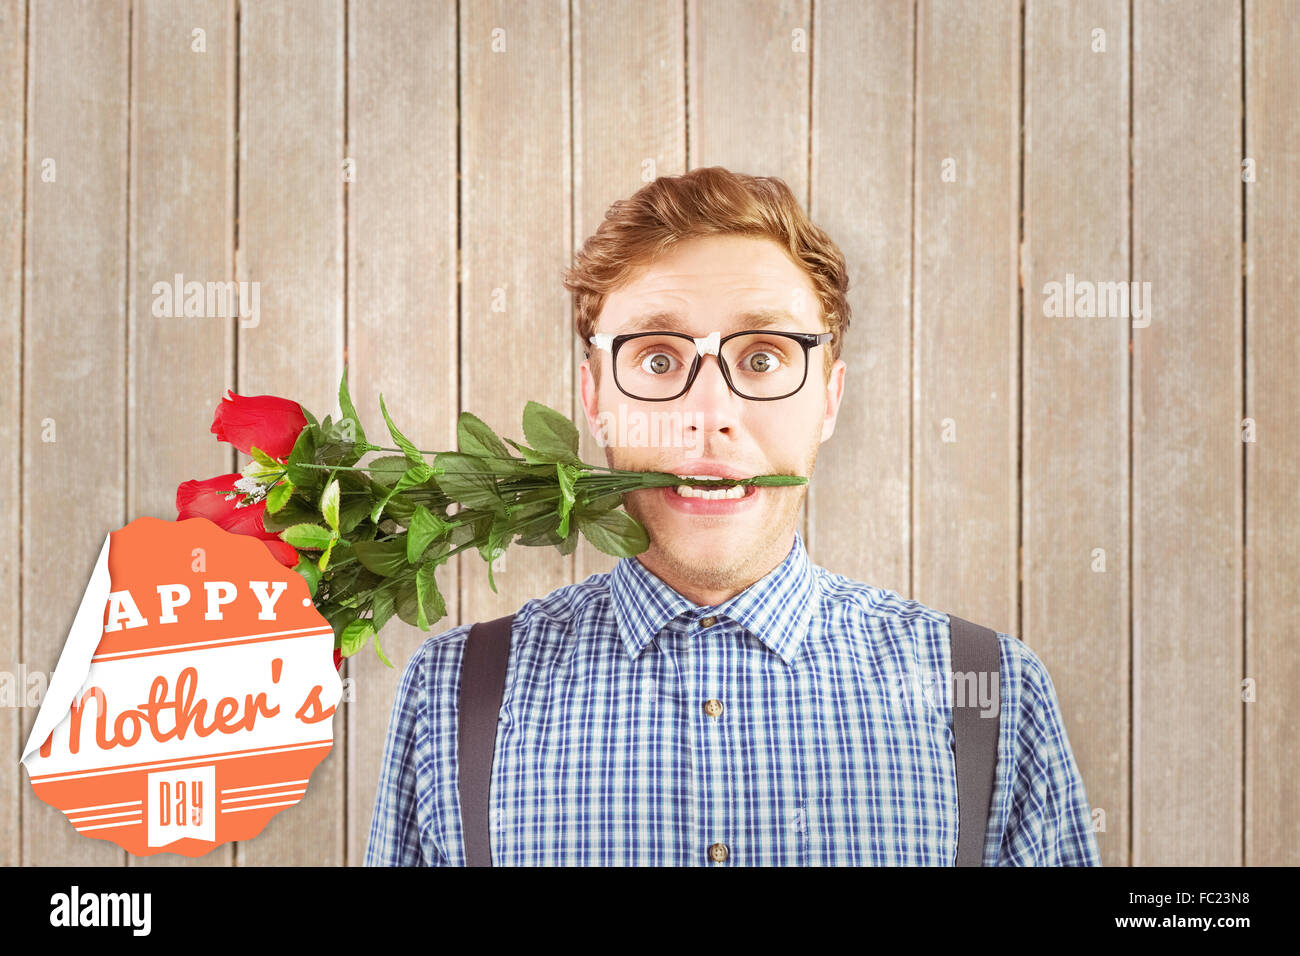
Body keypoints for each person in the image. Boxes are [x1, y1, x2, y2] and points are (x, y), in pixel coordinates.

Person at [365, 166, 1101, 866]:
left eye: (762, 358)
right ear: (594, 398)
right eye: (657, 359)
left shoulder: (988, 691)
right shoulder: (451, 693)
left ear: (830, 398)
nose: (709, 415)